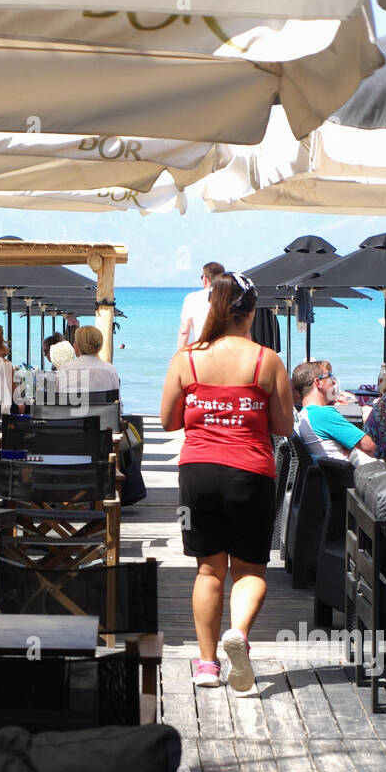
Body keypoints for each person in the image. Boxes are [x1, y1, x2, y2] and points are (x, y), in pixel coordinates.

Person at [161, 271, 294, 691]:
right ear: (252, 311)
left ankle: (206, 665)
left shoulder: (186, 358)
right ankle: (237, 633)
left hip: (197, 473)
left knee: (207, 572)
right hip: (250, 473)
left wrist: (206, 408)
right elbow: (285, 426)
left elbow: (168, 421)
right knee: (250, 570)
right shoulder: (266, 360)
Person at [293, 361, 376, 463]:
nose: (334, 382)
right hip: (350, 476)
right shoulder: (322, 414)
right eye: (330, 376)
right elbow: (371, 447)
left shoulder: (303, 415)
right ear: (318, 383)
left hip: (331, 473)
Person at [58, 324, 120, 400]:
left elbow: (58, 402)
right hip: (102, 412)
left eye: (75, 341)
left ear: (77, 345)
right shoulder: (110, 370)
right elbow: (117, 405)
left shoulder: (65, 369)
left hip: (72, 411)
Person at [176, 261, 225, 349]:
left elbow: (184, 332)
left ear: (205, 279)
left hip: (202, 351)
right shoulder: (230, 298)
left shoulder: (192, 298)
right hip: (225, 353)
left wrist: (180, 356)